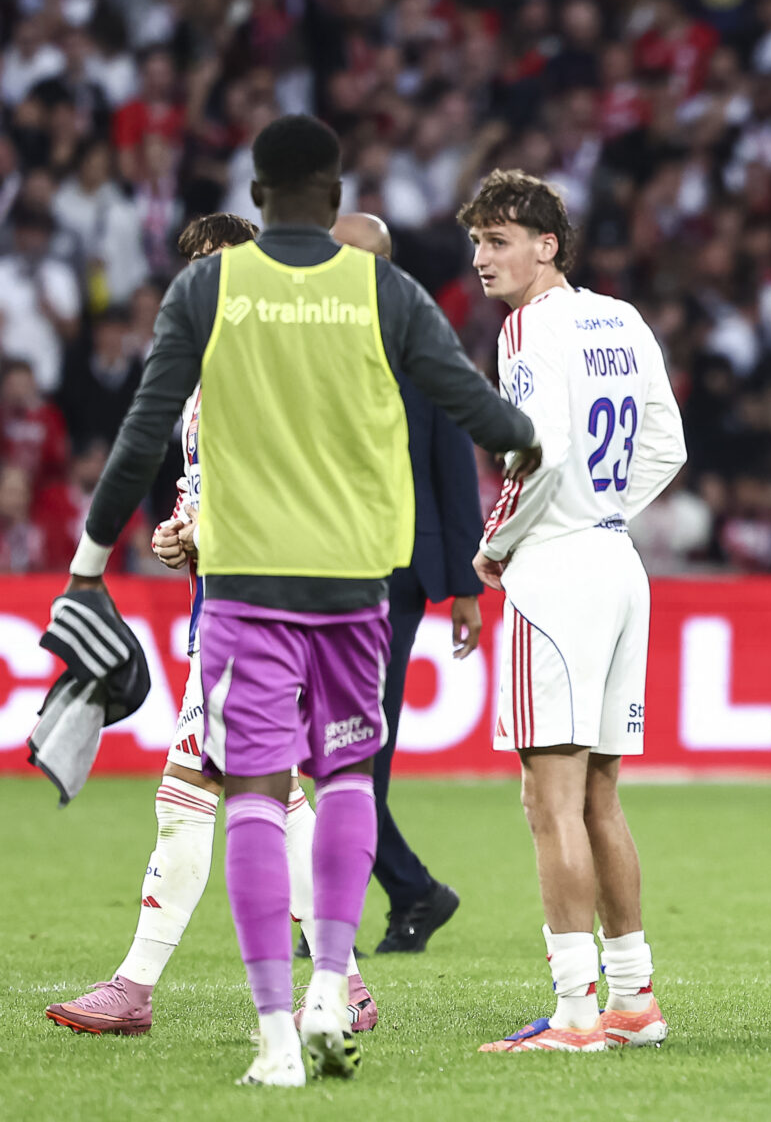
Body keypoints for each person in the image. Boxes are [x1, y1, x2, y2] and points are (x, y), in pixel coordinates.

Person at [55, 115, 540, 1087]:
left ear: (258, 191)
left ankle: (280, 1023)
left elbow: (141, 435)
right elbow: (481, 415)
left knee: (242, 796)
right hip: (354, 586)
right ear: (335, 188)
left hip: (245, 594)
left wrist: (87, 560)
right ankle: (334, 983)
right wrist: (532, 439)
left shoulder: (212, 296)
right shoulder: (379, 291)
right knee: (343, 780)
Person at [43, 214, 375, 1039]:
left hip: (272, 604)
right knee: (280, 793)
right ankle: (346, 983)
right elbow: (208, 485)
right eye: (196, 267)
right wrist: (182, 532)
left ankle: (135, 984)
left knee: (187, 793)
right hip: (233, 598)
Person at [461, 168, 687, 1052]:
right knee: (598, 794)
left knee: (547, 798)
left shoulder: (528, 328)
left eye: (499, 240)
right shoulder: (621, 317)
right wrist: (604, 506)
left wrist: (501, 543)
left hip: (555, 571)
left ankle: (575, 1011)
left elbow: (540, 455)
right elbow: (667, 439)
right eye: (477, 241)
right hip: (618, 562)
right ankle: (633, 999)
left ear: (546, 245)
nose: (483, 258)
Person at [331, 212, 472, 955]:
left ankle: (376, 902)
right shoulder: (313, 334)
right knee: (333, 748)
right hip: (323, 566)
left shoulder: (422, 338)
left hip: (393, 576)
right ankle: (407, 892)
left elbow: (452, 460)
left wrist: (468, 587)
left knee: (354, 748)